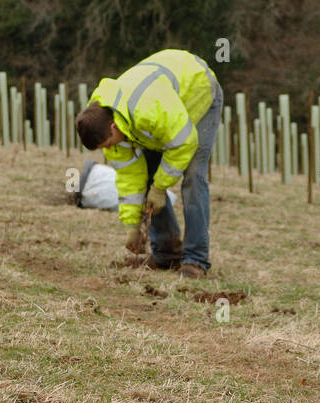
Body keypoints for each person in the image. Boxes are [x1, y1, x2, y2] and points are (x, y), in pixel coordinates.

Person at [76, 49, 223, 279]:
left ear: (114, 129)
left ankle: (196, 258)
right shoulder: (101, 119)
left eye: (106, 144)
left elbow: (184, 142)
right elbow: (129, 177)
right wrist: (132, 226)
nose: (107, 150)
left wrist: (160, 187)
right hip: (162, 117)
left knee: (194, 176)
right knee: (147, 176)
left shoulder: (149, 111)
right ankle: (166, 253)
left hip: (198, 93)